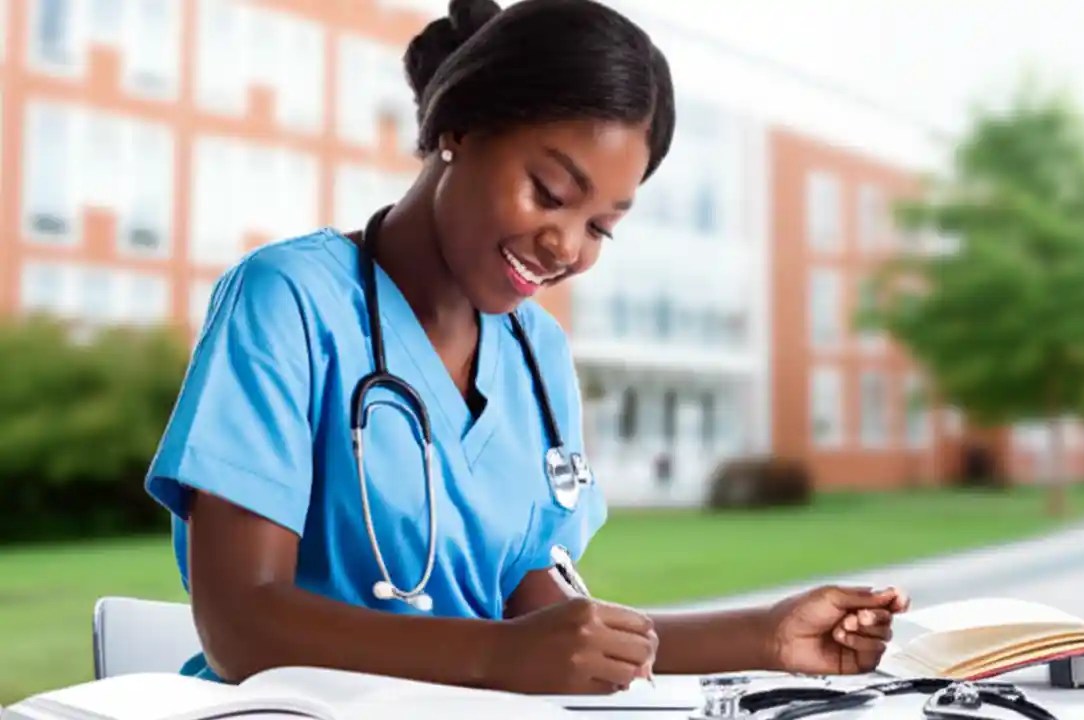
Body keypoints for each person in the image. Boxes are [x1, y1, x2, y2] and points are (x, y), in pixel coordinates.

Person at [145, 0, 909, 696]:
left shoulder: (538, 356)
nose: (566, 246)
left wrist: (765, 635)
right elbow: (240, 624)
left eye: (602, 227)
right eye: (549, 191)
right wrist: (497, 658)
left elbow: (554, 629)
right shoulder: (290, 300)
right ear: (461, 126)